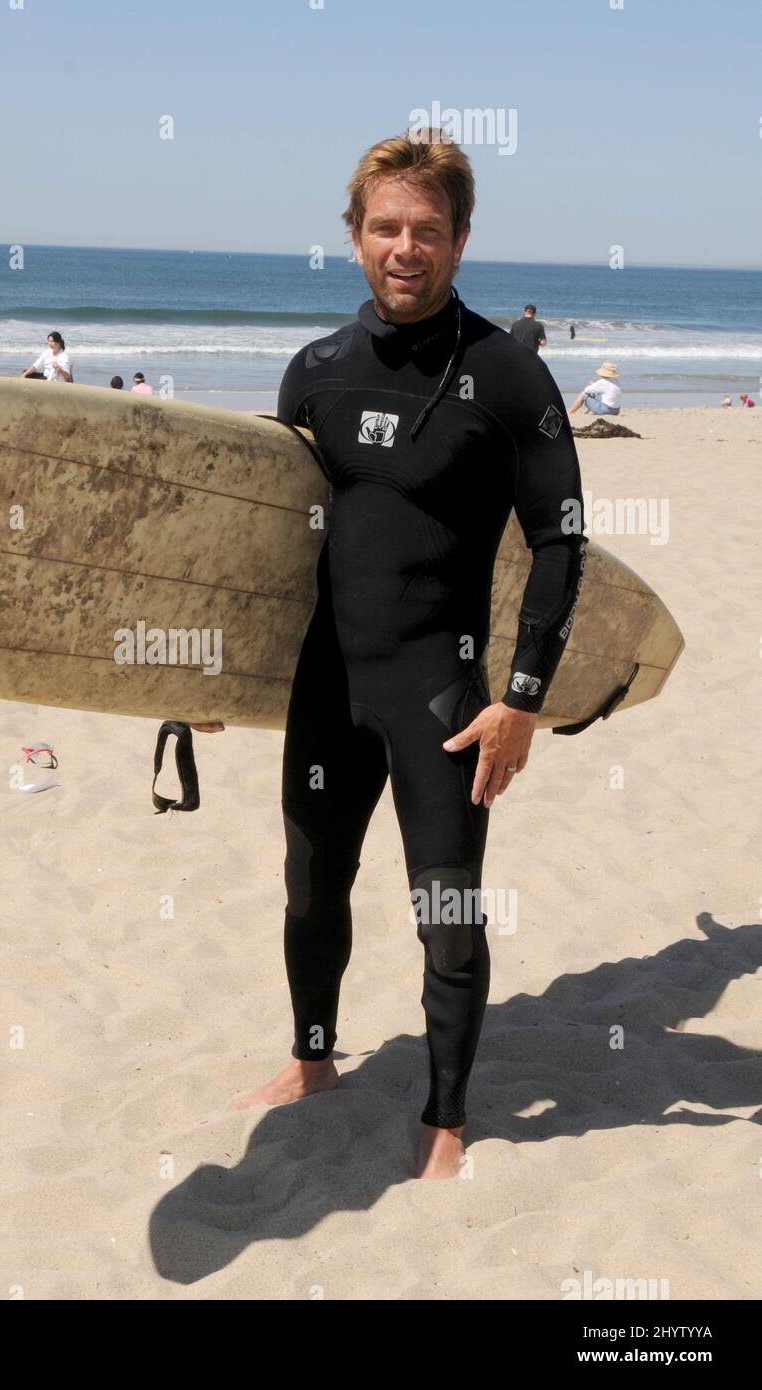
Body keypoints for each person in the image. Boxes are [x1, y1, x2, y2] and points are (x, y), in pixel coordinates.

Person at [222, 129, 586, 1180]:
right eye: (387, 226)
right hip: (326, 687)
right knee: (310, 891)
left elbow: (561, 539)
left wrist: (522, 701)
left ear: (462, 239)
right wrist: (198, 681)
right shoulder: (318, 371)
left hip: (445, 694)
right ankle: (313, 1059)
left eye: (429, 229)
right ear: (354, 237)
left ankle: (445, 1118)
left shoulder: (510, 376)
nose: (406, 247)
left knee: (448, 913)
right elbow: (258, 548)